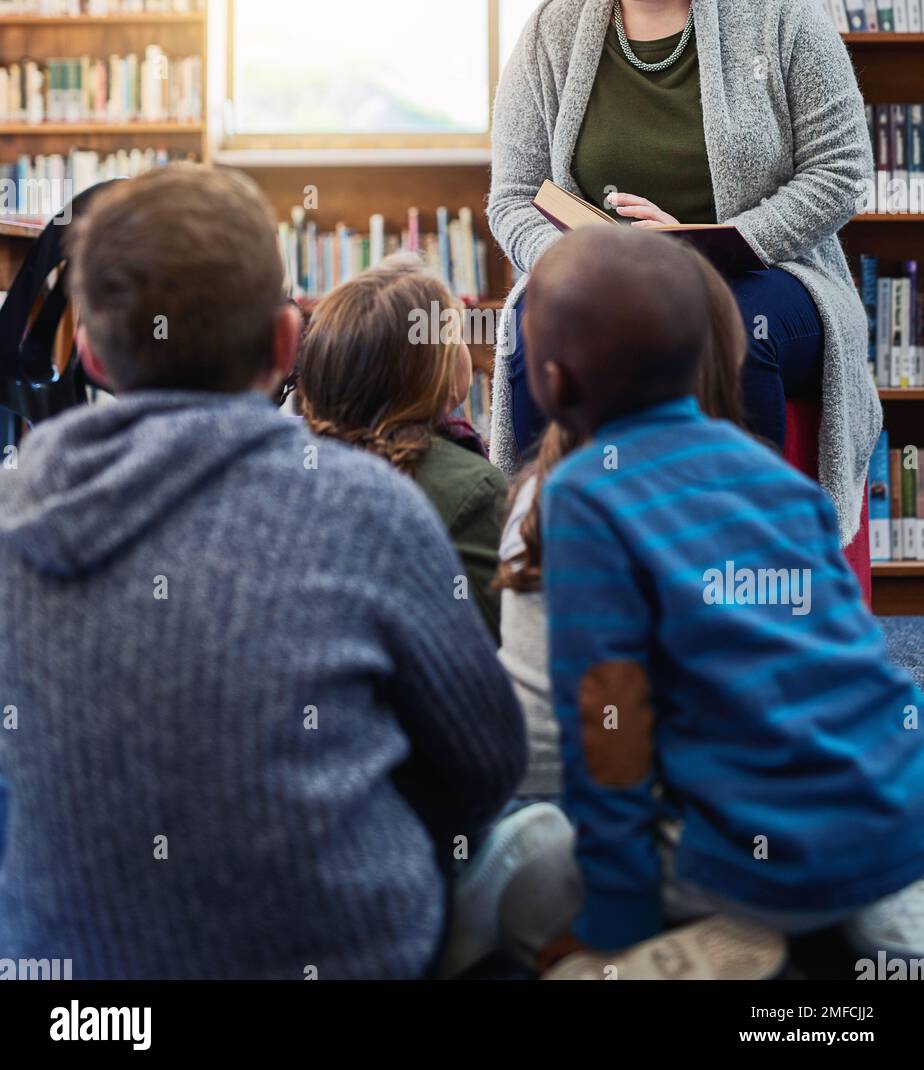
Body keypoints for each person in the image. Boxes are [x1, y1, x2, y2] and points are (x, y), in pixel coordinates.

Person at [0, 164, 526, 980]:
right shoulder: (372, 508)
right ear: (288, 342)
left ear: (93, 356)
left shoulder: (12, 520)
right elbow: (486, 766)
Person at [523, 224, 924, 972]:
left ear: (554, 381)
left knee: (529, 872)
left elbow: (609, 717)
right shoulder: (779, 479)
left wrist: (617, 918)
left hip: (756, 856)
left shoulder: (585, 492)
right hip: (897, 814)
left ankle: (733, 939)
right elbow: (857, 650)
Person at [487, 0, 880, 550]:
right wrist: (585, 265)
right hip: (604, 280)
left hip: (770, 276)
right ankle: (543, 566)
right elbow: (511, 196)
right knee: (530, 327)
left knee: (731, 331)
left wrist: (709, 248)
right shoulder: (551, 32)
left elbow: (840, 171)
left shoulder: (779, 8)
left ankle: (744, 570)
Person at [497, 247, 750, 801]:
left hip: (566, 809)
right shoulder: (772, 502)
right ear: (727, 357)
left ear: (553, 383)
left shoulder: (545, 501)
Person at [295, 254, 508, 639]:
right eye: (457, 335)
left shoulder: (294, 469)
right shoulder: (474, 490)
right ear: (435, 373)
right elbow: (496, 643)